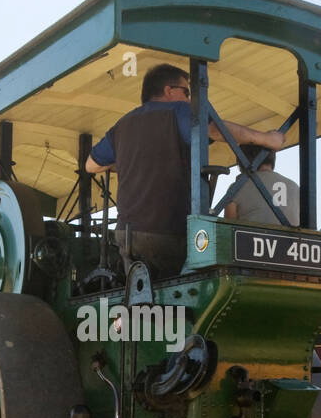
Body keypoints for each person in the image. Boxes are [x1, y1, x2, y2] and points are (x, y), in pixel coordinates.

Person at [84, 62, 285, 277]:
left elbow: (91, 165)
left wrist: (127, 161)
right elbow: (215, 130)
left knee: (142, 302)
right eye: (186, 92)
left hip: (128, 236)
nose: (190, 99)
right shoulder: (179, 111)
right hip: (169, 233)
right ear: (169, 91)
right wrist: (265, 138)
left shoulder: (122, 125)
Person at [223, 143, 302, 227]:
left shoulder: (237, 187)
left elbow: (228, 229)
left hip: (250, 239)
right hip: (290, 239)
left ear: (243, 160)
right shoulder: (295, 187)